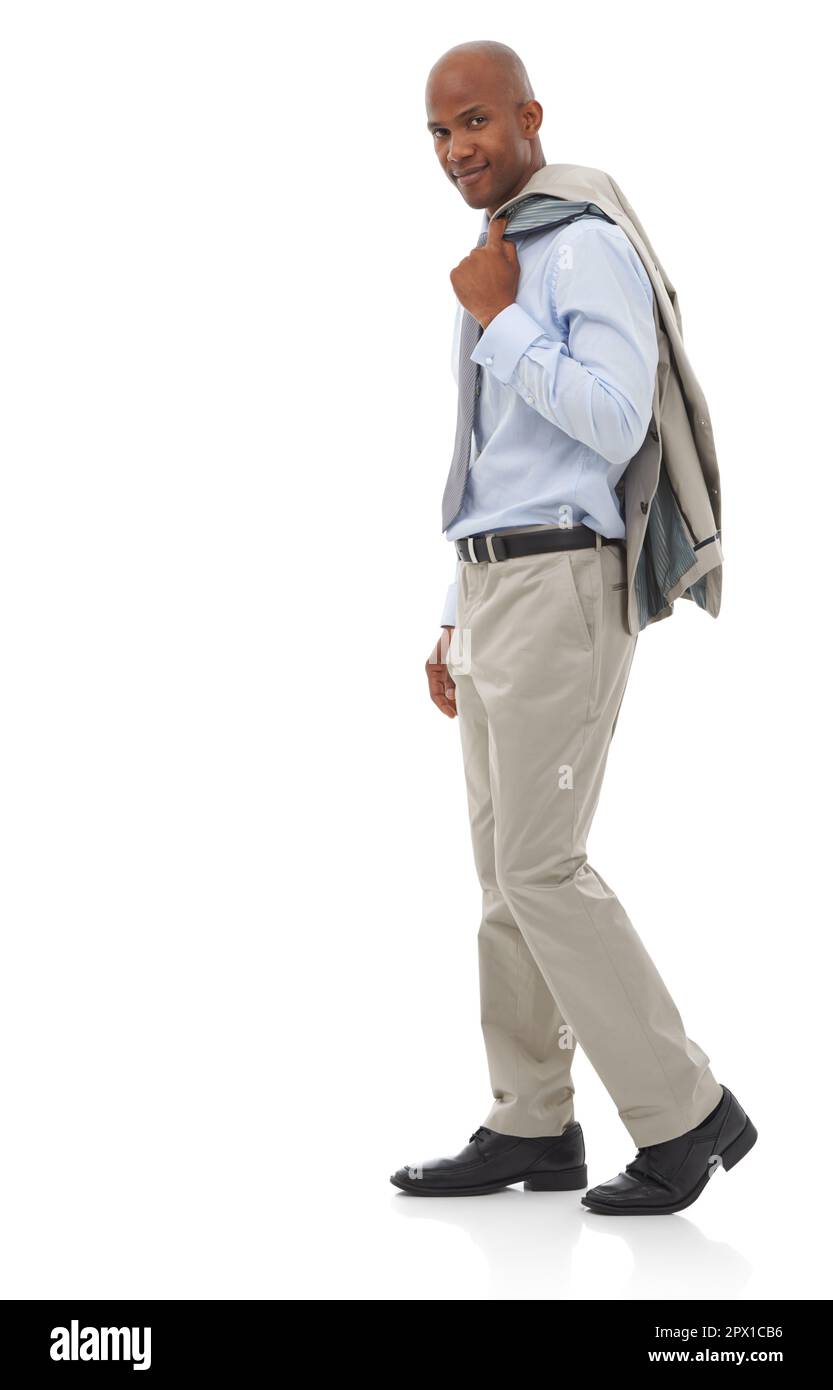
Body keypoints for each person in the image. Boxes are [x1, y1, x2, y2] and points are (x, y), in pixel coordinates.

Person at [389, 39, 756, 1215]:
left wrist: (499, 322)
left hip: (562, 588)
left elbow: (608, 421)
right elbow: (499, 459)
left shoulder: (579, 246)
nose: (456, 152)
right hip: (495, 585)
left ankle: (686, 1111)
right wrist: (455, 612)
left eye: (475, 124)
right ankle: (530, 1123)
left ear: (528, 117)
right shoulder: (498, 256)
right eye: (439, 134)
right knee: (503, 875)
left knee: (543, 866)